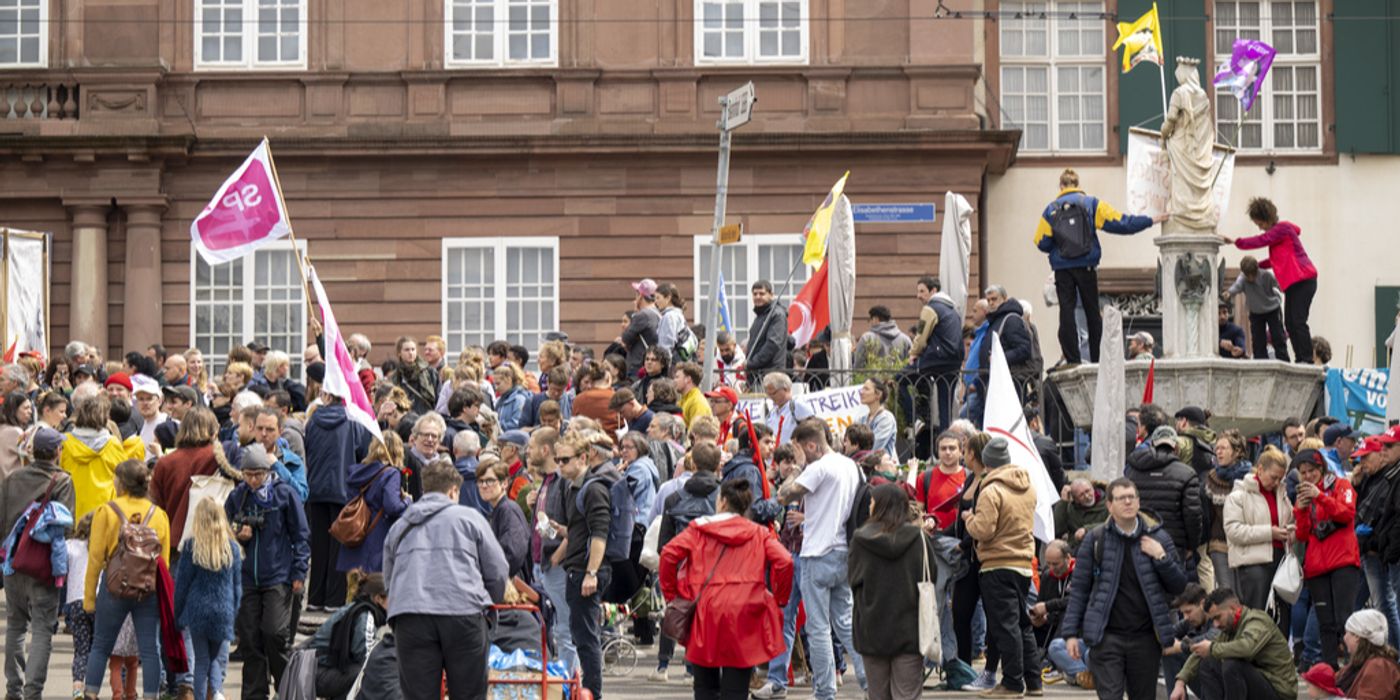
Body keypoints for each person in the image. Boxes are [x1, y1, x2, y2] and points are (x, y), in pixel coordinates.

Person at [383, 458, 508, 699]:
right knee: (469, 693)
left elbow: (390, 577)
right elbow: (498, 570)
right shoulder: (470, 518)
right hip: (463, 611)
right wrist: (489, 602)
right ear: (453, 490)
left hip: (411, 614)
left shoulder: (400, 525)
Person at [658, 478, 793, 700]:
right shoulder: (758, 533)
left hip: (705, 610)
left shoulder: (699, 529)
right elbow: (785, 561)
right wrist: (779, 598)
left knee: (705, 686)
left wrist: (673, 595)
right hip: (745, 611)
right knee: (736, 689)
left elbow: (669, 554)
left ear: (721, 502)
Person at [1061, 478, 1187, 700]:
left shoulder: (1159, 537)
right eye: (1121, 498)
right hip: (1106, 637)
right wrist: (1070, 633)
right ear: (1110, 505)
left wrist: (1162, 557)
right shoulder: (1096, 539)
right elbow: (1079, 589)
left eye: (1132, 497)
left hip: (1146, 639)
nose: (1128, 502)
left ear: (1139, 502)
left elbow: (1179, 586)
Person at [776, 419, 867, 700]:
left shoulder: (817, 468)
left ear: (812, 445)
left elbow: (782, 495)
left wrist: (799, 468)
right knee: (845, 622)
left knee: (818, 628)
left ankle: (825, 692)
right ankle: (869, 682)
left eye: (798, 450)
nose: (795, 457)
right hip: (844, 550)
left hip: (817, 553)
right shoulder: (850, 465)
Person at [1036, 168, 1161, 365]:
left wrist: (1060, 248)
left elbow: (1041, 242)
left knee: (1066, 313)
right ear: (1078, 185)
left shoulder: (1050, 210)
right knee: (1092, 312)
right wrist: (1150, 220)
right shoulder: (1091, 204)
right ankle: (1096, 359)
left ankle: (1072, 358)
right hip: (1087, 266)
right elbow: (1121, 223)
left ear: (1061, 186)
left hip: (1063, 270)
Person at [223, 444, 309, 699]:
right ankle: (254, 694)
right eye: (247, 474)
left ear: (267, 471)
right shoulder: (237, 496)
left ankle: (288, 689)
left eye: (257, 474)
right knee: (249, 640)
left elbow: (301, 535)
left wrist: (299, 572)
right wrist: (239, 536)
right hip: (247, 577)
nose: (252, 480)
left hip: (278, 575)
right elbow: (225, 532)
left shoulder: (284, 494)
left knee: (274, 634)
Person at [81, 459, 172, 700]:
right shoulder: (159, 515)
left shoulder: (107, 511)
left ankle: (90, 693)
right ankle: (151, 695)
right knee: (150, 649)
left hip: (114, 589)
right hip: (147, 590)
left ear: (121, 483)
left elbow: (95, 559)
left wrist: (89, 599)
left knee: (101, 645)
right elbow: (164, 562)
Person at [961, 437, 1041, 698]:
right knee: (1022, 625)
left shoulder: (991, 490)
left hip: (997, 564)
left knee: (1005, 627)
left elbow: (983, 531)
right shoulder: (1027, 487)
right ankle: (1034, 682)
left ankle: (1012, 683)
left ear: (988, 463)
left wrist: (969, 519)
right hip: (1023, 565)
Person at [0, 427, 75, 700]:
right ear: (57, 451)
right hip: (43, 567)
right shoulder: (62, 481)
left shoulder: (12, 479)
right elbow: (67, 527)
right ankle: (33, 692)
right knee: (42, 629)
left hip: (14, 563)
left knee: (16, 626)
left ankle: (13, 690)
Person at [848, 483, 936, 700]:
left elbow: (853, 580)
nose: (869, 506)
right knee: (908, 695)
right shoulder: (919, 538)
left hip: (871, 630)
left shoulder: (861, 539)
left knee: (877, 695)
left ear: (880, 506)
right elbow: (930, 576)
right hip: (911, 630)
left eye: (871, 502)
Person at [552, 430, 621, 700]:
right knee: (581, 633)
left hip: (587, 571)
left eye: (565, 459)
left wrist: (591, 573)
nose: (560, 465)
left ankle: (593, 692)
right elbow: (580, 531)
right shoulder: (574, 487)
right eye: (557, 459)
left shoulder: (593, 488)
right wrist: (561, 533)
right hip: (578, 569)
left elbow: (600, 533)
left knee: (586, 636)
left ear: (583, 458)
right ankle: (589, 690)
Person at [1222, 197, 1318, 364]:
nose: (1260, 228)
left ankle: (1306, 359)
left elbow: (1261, 240)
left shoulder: (1282, 229)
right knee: (1290, 323)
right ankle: (1301, 357)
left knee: (1297, 321)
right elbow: (1273, 261)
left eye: (1260, 223)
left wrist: (1236, 242)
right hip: (1294, 284)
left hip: (1303, 280)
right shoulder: (1279, 237)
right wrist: (1255, 266)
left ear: (1267, 218)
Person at [1292, 447, 1361, 669]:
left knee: (1345, 618)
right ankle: (1331, 668)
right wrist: (1300, 511)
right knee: (1325, 622)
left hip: (1343, 562)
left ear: (1321, 468)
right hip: (1317, 567)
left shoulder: (1341, 485)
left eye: (1311, 470)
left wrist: (1320, 497)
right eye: (1303, 472)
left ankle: (1353, 666)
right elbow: (1302, 535)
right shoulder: (1304, 495)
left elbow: (1347, 513)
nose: (1308, 476)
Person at [304, 394, 372, 612]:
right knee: (338, 547)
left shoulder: (313, 420)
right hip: (343, 489)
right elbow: (364, 453)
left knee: (319, 545)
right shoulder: (353, 420)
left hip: (316, 487)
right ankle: (334, 599)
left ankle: (315, 597)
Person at [1172, 587, 1297, 700]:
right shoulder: (1229, 627)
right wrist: (1180, 682)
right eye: (1212, 620)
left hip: (1280, 692)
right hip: (1261, 685)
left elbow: (1247, 647)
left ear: (1232, 609)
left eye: (1217, 617)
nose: (1215, 624)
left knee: (1231, 665)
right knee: (1207, 663)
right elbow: (1201, 652)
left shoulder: (1257, 620)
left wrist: (1211, 648)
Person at [173, 498, 242, 700]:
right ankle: (218, 693)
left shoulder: (191, 547)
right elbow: (237, 587)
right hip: (223, 610)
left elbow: (182, 586)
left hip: (198, 610)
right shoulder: (232, 549)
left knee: (201, 660)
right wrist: (233, 613)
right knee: (215, 660)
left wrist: (178, 615)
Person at [1224, 447, 1294, 625]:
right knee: (1257, 618)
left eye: (1280, 478)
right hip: (1253, 565)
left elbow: (1290, 521)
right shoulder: (1238, 496)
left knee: (1281, 617)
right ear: (1260, 469)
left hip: (1280, 562)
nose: (1277, 482)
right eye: (1273, 477)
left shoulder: (1282, 495)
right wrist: (1270, 532)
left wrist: (1291, 529)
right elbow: (1234, 531)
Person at [1124, 426, 1203, 571]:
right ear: (1176, 447)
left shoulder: (1132, 471)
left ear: (1152, 444)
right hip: (1174, 544)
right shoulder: (1187, 473)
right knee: (1172, 586)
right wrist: (1192, 545)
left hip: (1139, 540)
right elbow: (1193, 514)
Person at [336, 434, 412, 576]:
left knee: (354, 589)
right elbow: (392, 506)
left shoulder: (358, 472)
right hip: (377, 542)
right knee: (374, 590)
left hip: (356, 536)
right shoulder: (390, 473)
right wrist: (407, 501)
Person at [63, 393, 145, 519]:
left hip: (71, 508)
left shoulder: (65, 442)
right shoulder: (112, 444)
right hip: (104, 510)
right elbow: (123, 477)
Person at [308, 572, 388, 700]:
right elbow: (366, 658)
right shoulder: (365, 615)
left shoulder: (358, 607)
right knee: (363, 674)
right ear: (378, 598)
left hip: (314, 670)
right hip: (311, 673)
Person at [900, 276, 961, 437]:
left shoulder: (930, 308)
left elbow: (920, 336)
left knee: (900, 378)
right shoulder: (953, 309)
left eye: (922, 291)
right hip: (953, 361)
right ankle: (947, 441)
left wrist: (913, 354)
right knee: (945, 405)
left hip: (936, 358)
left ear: (933, 291)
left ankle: (915, 420)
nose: (918, 296)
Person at [1202, 429, 1251, 591]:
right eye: (1217, 448)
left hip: (1246, 542)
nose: (1219, 452)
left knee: (1245, 593)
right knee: (1227, 591)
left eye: (1224, 448)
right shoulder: (1211, 478)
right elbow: (1207, 514)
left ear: (1237, 452)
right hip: (1220, 543)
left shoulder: (1251, 478)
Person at [1224, 255, 1290, 361]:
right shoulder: (1243, 279)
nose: (1250, 278)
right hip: (1256, 312)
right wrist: (1229, 292)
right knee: (1258, 340)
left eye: (1253, 274)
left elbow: (1278, 284)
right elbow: (1237, 286)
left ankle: (1283, 360)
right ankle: (1261, 361)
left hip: (1272, 308)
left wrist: (1286, 289)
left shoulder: (1266, 275)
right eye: (1248, 275)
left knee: (1277, 336)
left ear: (1257, 270)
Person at [1158, 584, 1216, 698]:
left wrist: (1180, 646)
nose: (1185, 617)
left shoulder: (1217, 617)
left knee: (1177, 651)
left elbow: (1213, 638)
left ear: (1202, 604)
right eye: (1183, 613)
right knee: (1170, 653)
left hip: (1222, 682)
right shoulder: (1190, 621)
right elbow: (1168, 634)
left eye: (1188, 612)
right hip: (1206, 680)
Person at [478, 456, 530, 580]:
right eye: (480, 481)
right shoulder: (498, 510)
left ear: (504, 483)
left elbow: (513, 554)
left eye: (490, 480)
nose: (484, 486)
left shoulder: (508, 510)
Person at [1337, 609, 1400, 699]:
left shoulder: (1379, 667)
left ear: (1357, 636)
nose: (1344, 638)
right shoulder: (1358, 664)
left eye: (1347, 633)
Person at [745, 280, 790, 382]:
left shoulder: (777, 315)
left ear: (771, 295)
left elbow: (773, 344)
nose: (757, 297)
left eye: (762, 293)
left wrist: (752, 363)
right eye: (755, 294)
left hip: (771, 375)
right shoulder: (761, 315)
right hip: (758, 375)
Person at [621, 279, 662, 379]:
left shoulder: (642, 315)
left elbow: (625, 338)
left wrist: (635, 312)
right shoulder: (658, 314)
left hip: (638, 367)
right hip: (651, 364)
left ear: (640, 296)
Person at [1053, 478, 1108, 550]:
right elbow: (1058, 530)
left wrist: (1087, 530)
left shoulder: (1108, 503)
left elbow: (1112, 524)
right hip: (1078, 549)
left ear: (1093, 488)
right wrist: (1063, 502)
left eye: (1088, 491)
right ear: (1076, 499)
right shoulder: (1070, 508)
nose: (1087, 496)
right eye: (1081, 495)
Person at [389, 337, 439, 415]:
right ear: (399, 353)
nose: (411, 353)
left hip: (426, 418)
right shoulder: (396, 377)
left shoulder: (430, 372)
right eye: (407, 350)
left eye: (413, 349)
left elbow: (438, 399)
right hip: (406, 419)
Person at [855, 305, 913, 369]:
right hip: (899, 378)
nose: (870, 323)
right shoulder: (905, 339)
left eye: (870, 320)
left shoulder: (867, 338)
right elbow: (911, 364)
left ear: (875, 319)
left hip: (872, 378)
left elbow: (858, 366)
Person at [761, 372, 812, 445]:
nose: (771, 397)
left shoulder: (798, 406)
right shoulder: (771, 412)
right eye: (768, 394)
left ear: (786, 389)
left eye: (774, 393)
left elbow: (812, 431)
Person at [859, 378, 897, 460]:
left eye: (866, 389)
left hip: (883, 469)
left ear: (878, 394)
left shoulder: (886, 419)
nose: (861, 392)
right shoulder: (862, 419)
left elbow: (874, 447)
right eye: (862, 388)